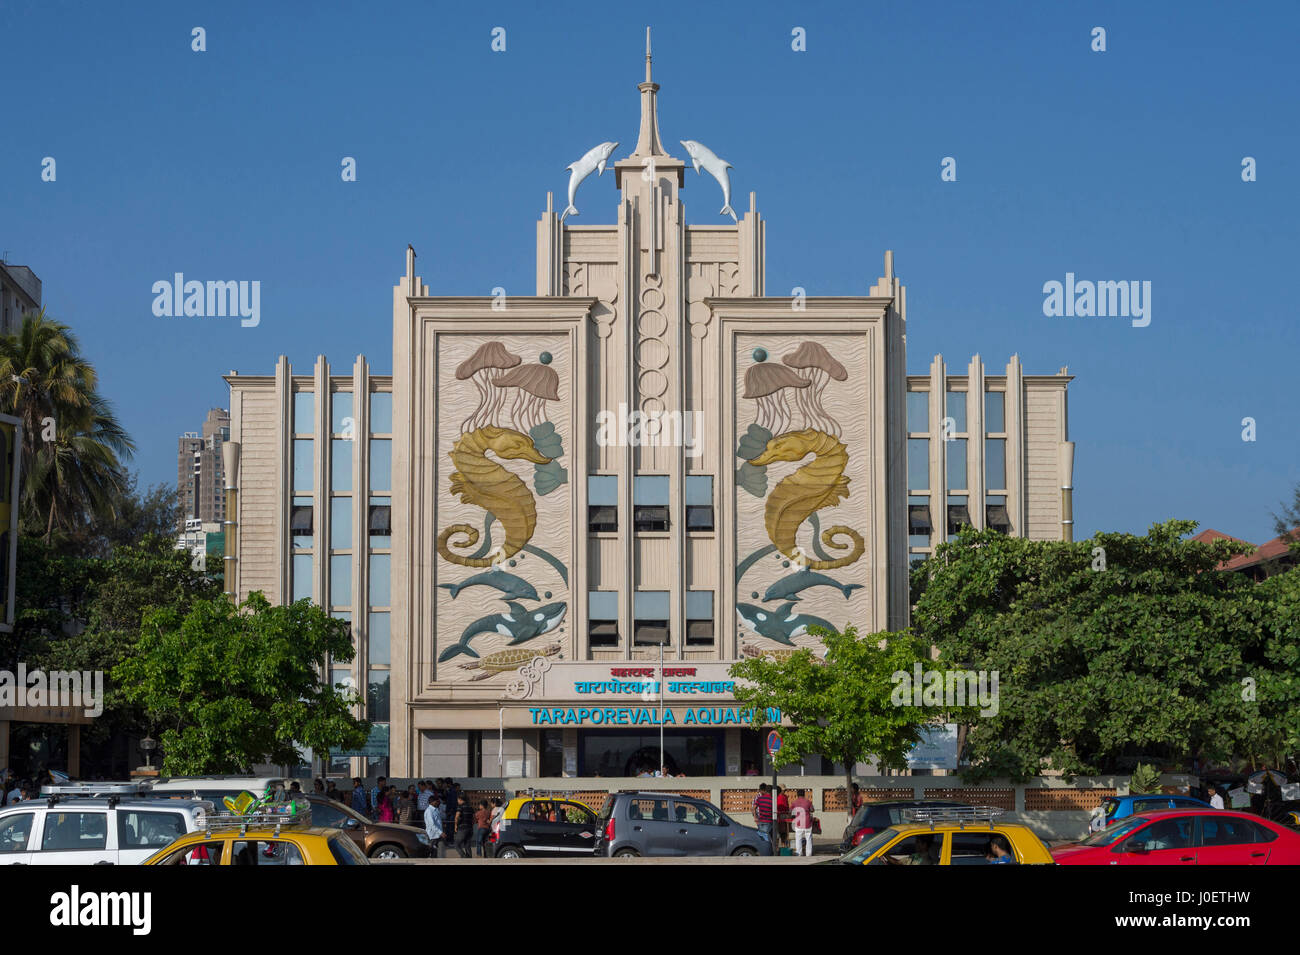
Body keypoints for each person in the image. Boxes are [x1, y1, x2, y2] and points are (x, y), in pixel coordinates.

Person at [790, 788, 815, 857]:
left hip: (799, 824)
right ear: (804, 794)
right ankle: (809, 854)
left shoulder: (794, 802)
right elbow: (812, 810)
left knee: (798, 839)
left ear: (797, 795)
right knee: (809, 839)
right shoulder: (808, 802)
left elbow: (791, 811)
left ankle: (799, 853)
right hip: (807, 823)